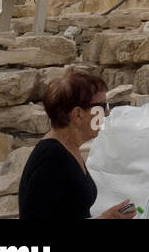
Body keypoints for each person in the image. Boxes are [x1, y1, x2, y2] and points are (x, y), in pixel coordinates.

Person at [18, 68, 133, 220]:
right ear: (78, 114)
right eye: (102, 106)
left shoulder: (69, 148)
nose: (107, 113)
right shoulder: (51, 159)